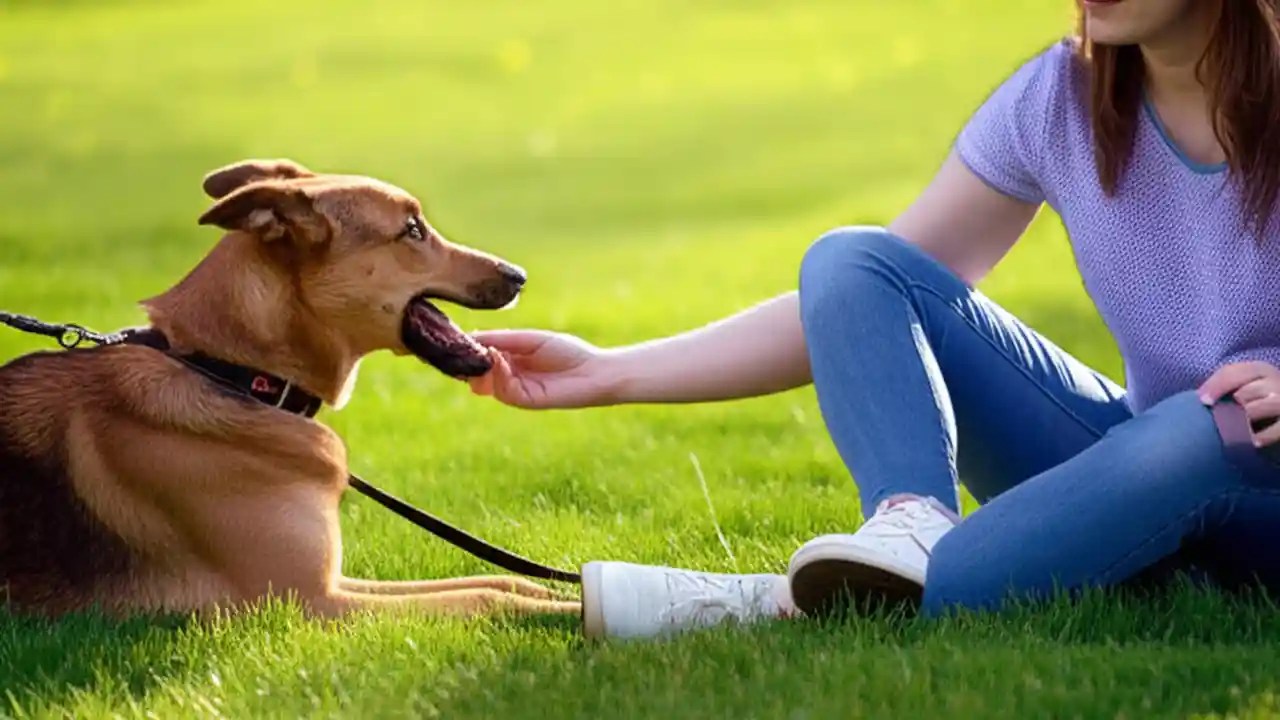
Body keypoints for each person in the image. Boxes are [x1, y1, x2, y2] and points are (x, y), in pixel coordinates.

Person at [469, 0, 1280, 639]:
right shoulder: (1059, 100)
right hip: (1145, 461)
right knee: (851, 263)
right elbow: (858, 310)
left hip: (1248, 470)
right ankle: (909, 529)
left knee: (1196, 432)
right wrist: (611, 370)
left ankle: (779, 603)